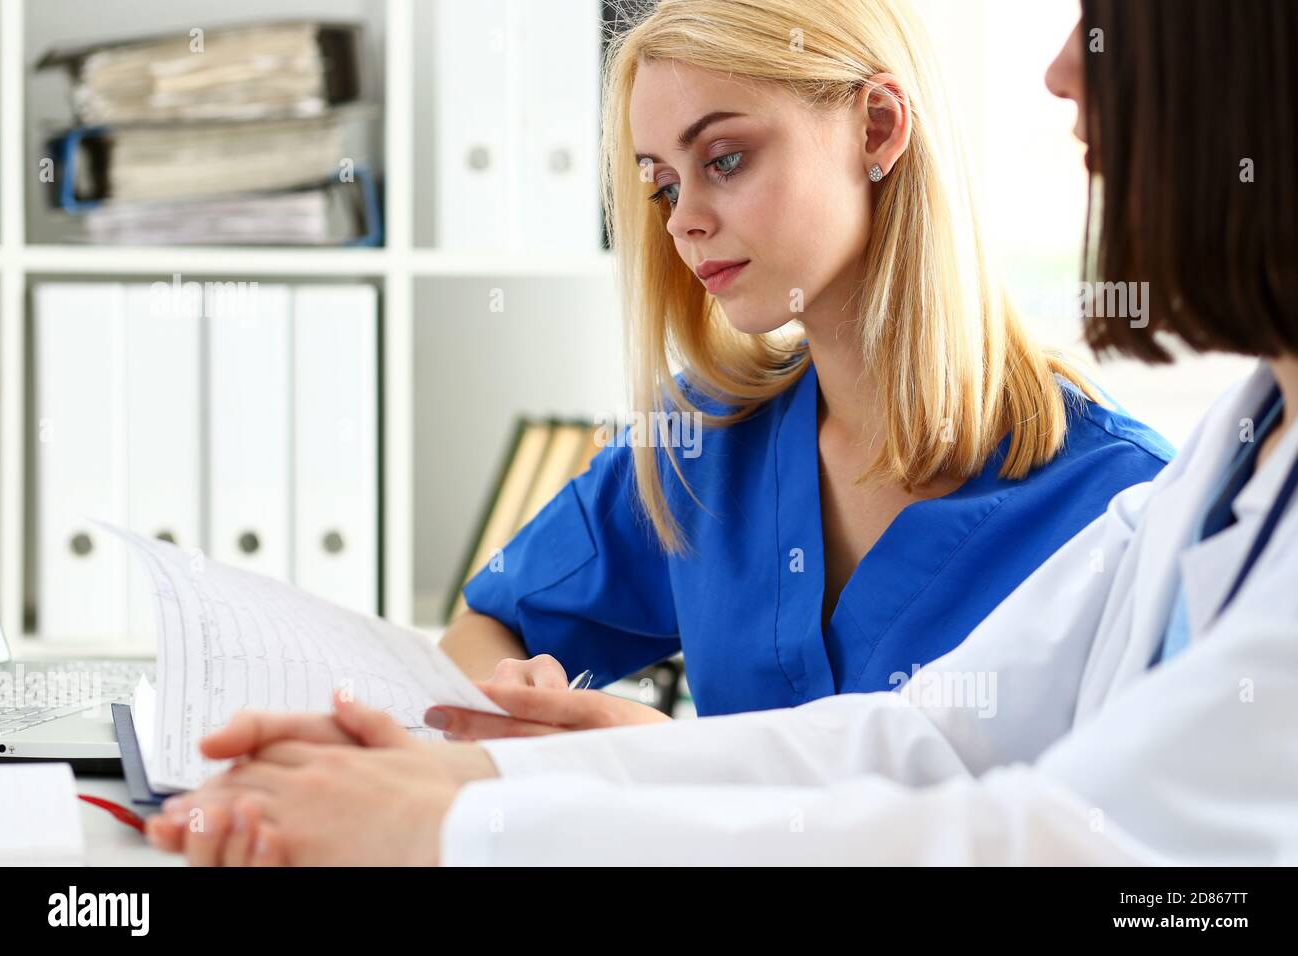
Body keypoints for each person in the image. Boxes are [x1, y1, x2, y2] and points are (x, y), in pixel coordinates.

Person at [148, 0, 1298, 865]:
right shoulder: (1221, 466)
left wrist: (471, 816)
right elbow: (916, 746)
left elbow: (1034, 837)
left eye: (726, 157)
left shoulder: (1108, 481)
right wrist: (475, 767)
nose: (1062, 73)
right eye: (659, 182)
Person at [433, 0, 1169, 729]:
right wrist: (513, 698)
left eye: (724, 160)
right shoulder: (702, 447)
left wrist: (666, 768)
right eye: (663, 184)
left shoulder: (1122, 502)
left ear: (877, 128)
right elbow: (485, 628)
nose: (683, 218)